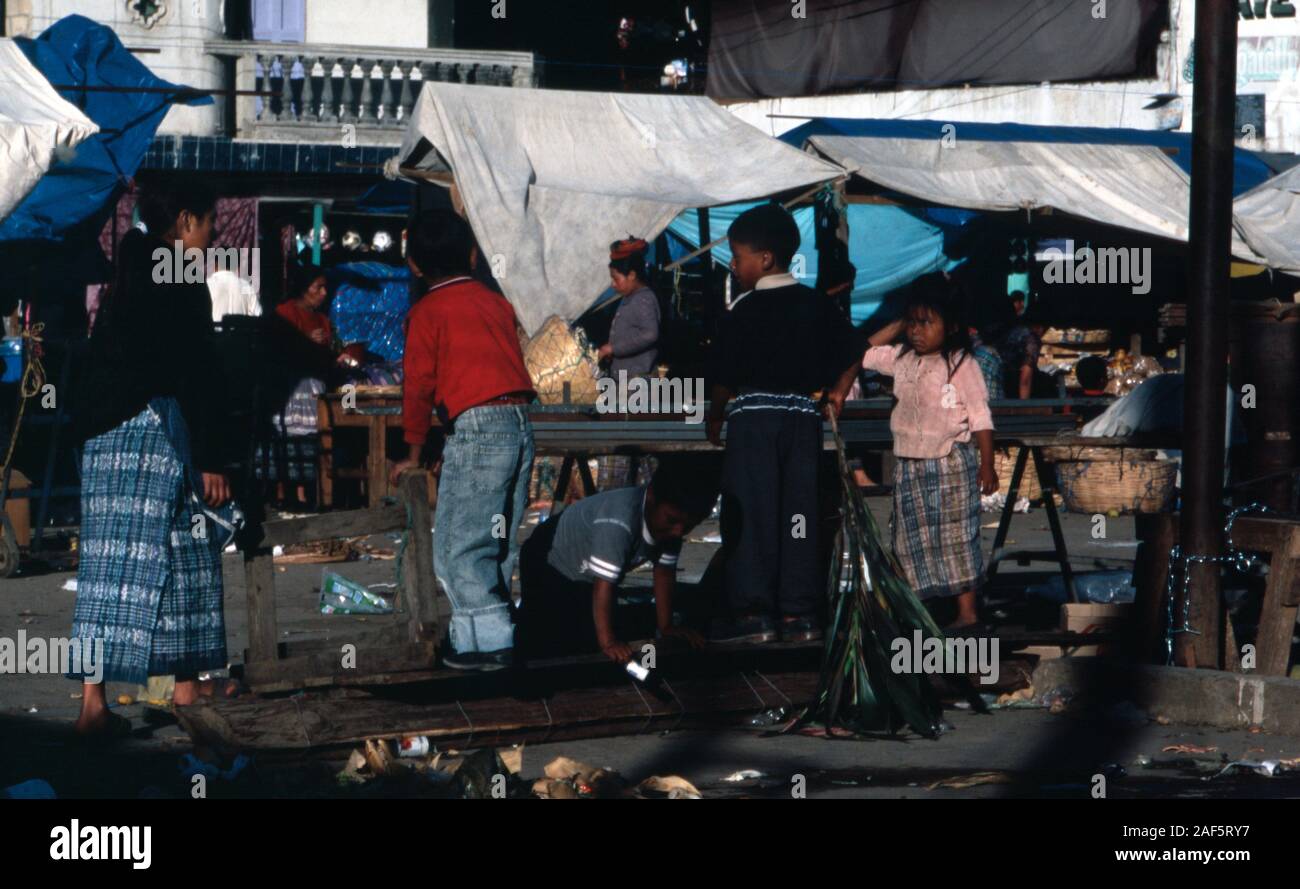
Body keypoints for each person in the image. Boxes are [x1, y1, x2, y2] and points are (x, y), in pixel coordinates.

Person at [68, 177, 235, 736]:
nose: (212, 236)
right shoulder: (181, 273)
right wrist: (212, 457)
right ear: (185, 221)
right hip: (151, 431)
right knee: (186, 554)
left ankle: (95, 703)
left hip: (101, 436)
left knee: (108, 566)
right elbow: (197, 370)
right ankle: (185, 693)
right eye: (209, 223)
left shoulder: (127, 270)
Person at [705, 203, 864, 645]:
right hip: (800, 424)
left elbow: (723, 375)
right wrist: (837, 392)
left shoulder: (743, 309)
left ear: (765, 260)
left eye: (737, 257)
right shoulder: (815, 304)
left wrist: (716, 415)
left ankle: (755, 616)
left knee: (751, 516)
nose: (734, 266)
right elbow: (854, 349)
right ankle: (800, 616)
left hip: (754, 425)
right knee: (799, 516)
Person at [389, 209, 536, 672]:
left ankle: (493, 644)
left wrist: (413, 453)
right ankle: (472, 644)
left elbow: (418, 387)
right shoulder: (496, 302)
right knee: (497, 538)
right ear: (473, 256)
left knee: (457, 546)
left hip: (477, 432)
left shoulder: (427, 311)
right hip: (518, 424)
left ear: (414, 266)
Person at [857, 273, 997, 630]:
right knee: (910, 540)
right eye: (912, 323)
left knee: (955, 537)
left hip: (950, 461)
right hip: (909, 464)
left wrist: (987, 465)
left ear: (949, 326)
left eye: (926, 323)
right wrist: (899, 324)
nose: (917, 331)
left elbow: (981, 416)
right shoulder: (901, 358)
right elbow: (859, 351)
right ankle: (916, 613)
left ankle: (967, 613)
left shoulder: (963, 365)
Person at [514, 456, 717, 662]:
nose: (678, 531)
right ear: (652, 498)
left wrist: (666, 626)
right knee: (545, 627)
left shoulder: (673, 527)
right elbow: (605, 586)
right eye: (672, 520)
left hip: (585, 570)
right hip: (548, 554)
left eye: (689, 525)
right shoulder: (619, 522)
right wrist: (608, 642)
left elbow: (664, 572)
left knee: (584, 625)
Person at [596, 237, 662, 489]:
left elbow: (650, 334)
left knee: (633, 447)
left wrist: (614, 348)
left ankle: (636, 496)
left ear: (632, 275)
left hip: (637, 386)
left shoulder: (644, 299)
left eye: (617, 279)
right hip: (625, 385)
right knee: (635, 448)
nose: (613, 285)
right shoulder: (629, 299)